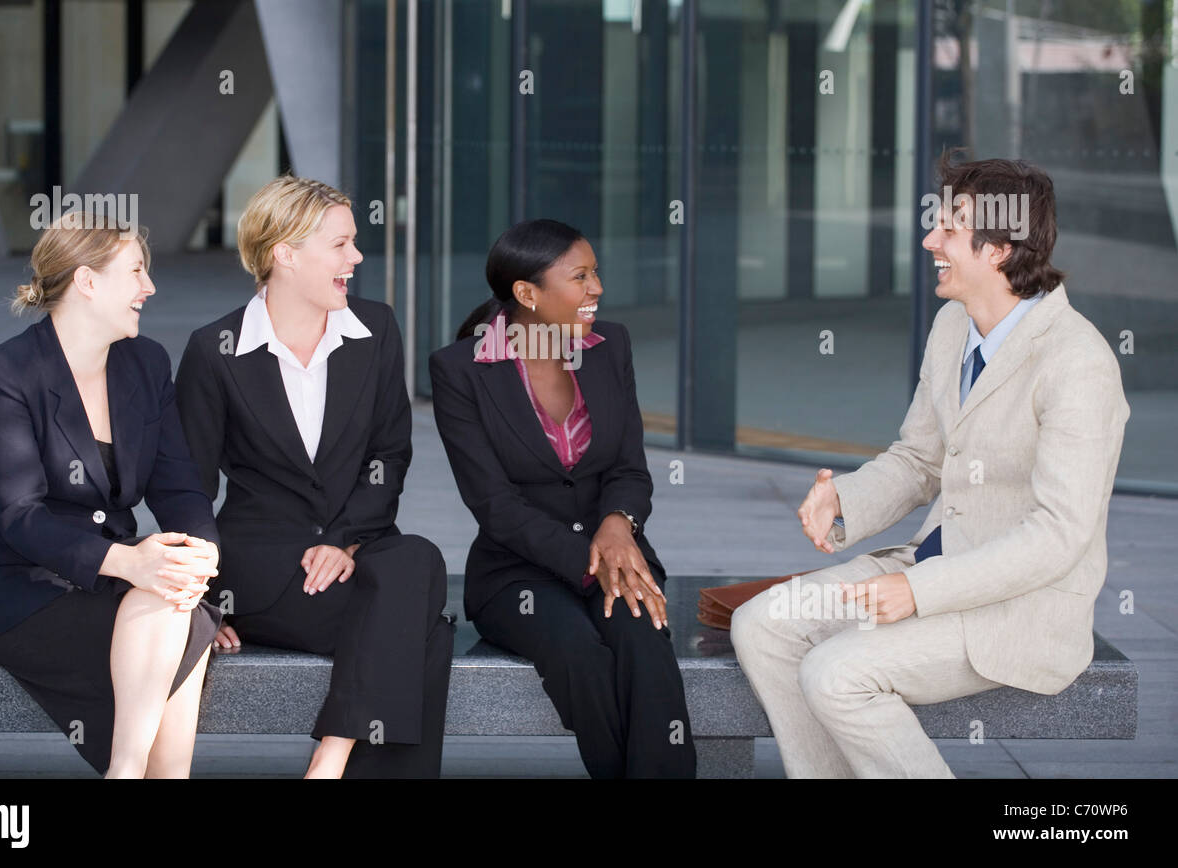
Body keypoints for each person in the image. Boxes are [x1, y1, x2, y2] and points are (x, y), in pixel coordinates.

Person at [730, 152, 1130, 778]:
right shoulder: (953, 326)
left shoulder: (1077, 363)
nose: (929, 239)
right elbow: (920, 459)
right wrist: (847, 503)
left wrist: (917, 593)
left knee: (836, 672)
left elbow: (1060, 536)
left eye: (949, 226)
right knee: (762, 626)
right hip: (930, 566)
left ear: (998, 249)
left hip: (1019, 611)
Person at [175, 176, 453, 779]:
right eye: (341, 245)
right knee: (425, 628)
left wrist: (345, 537)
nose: (356, 259)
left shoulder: (375, 330)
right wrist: (199, 602)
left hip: (360, 553)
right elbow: (188, 488)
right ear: (285, 253)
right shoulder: (213, 350)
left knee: (417, 560)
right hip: (264, 575)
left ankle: (332, 754)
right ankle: (334, 756)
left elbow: (390, 455)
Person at [0, 211, 222, 778]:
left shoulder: (146, 363)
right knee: (186, 621)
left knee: (180, 604)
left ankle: (126, 772)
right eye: (137, 272)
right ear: (87, 281)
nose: (149, 288)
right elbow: (18, 513)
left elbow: (180, 485)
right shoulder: (8, 371)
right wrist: (130, 561)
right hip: (20, 586)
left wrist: (202, 554)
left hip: (109, 577)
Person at [429, 219, 697, 778]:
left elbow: (629, 467)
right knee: (578, 653)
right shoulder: (460, 371)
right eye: (580, 276)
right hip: (516, 575)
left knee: (645, 649)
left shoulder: (609, 346)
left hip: (619, 557)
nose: (597, 287)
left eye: (595, 272)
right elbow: (494, 505)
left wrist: (619, 524)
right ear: (527, 294)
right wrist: (593, 562)